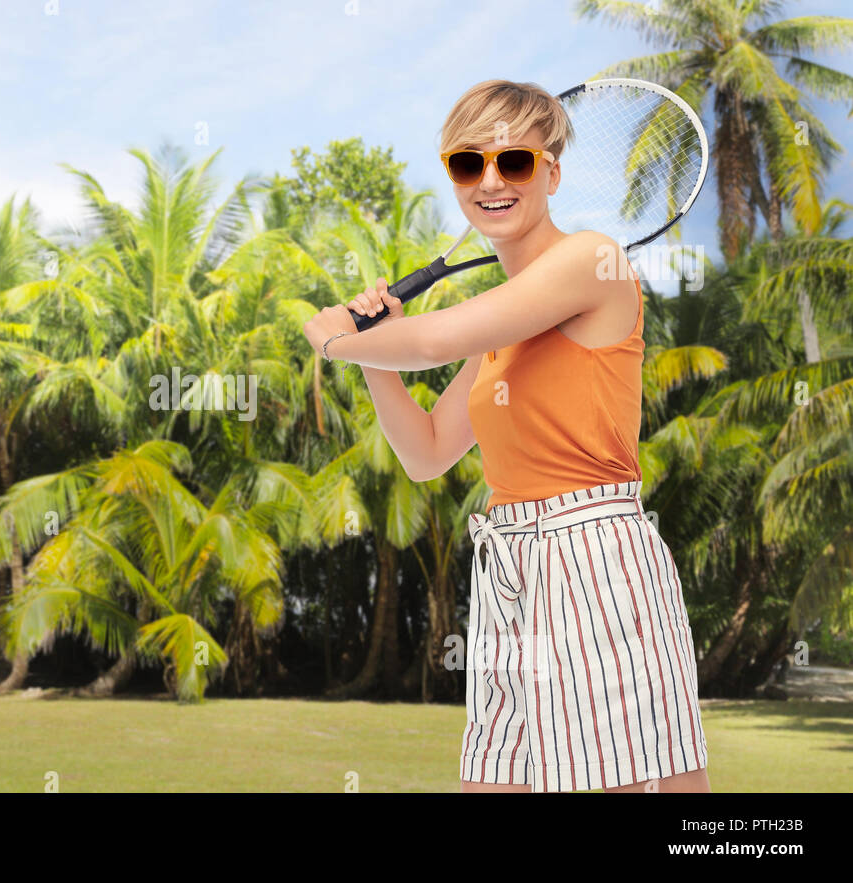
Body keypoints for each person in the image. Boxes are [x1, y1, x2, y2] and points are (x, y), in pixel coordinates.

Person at [300, 79, 709, 793]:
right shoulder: (497, 336)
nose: (490, 180)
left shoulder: (591, 260)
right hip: (508, 570)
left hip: (592, 557)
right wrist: (371, 355)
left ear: (551, 171)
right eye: (467, 162)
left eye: (514, 161)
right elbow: (427, 453)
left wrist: (340, 343)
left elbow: (427, 343)